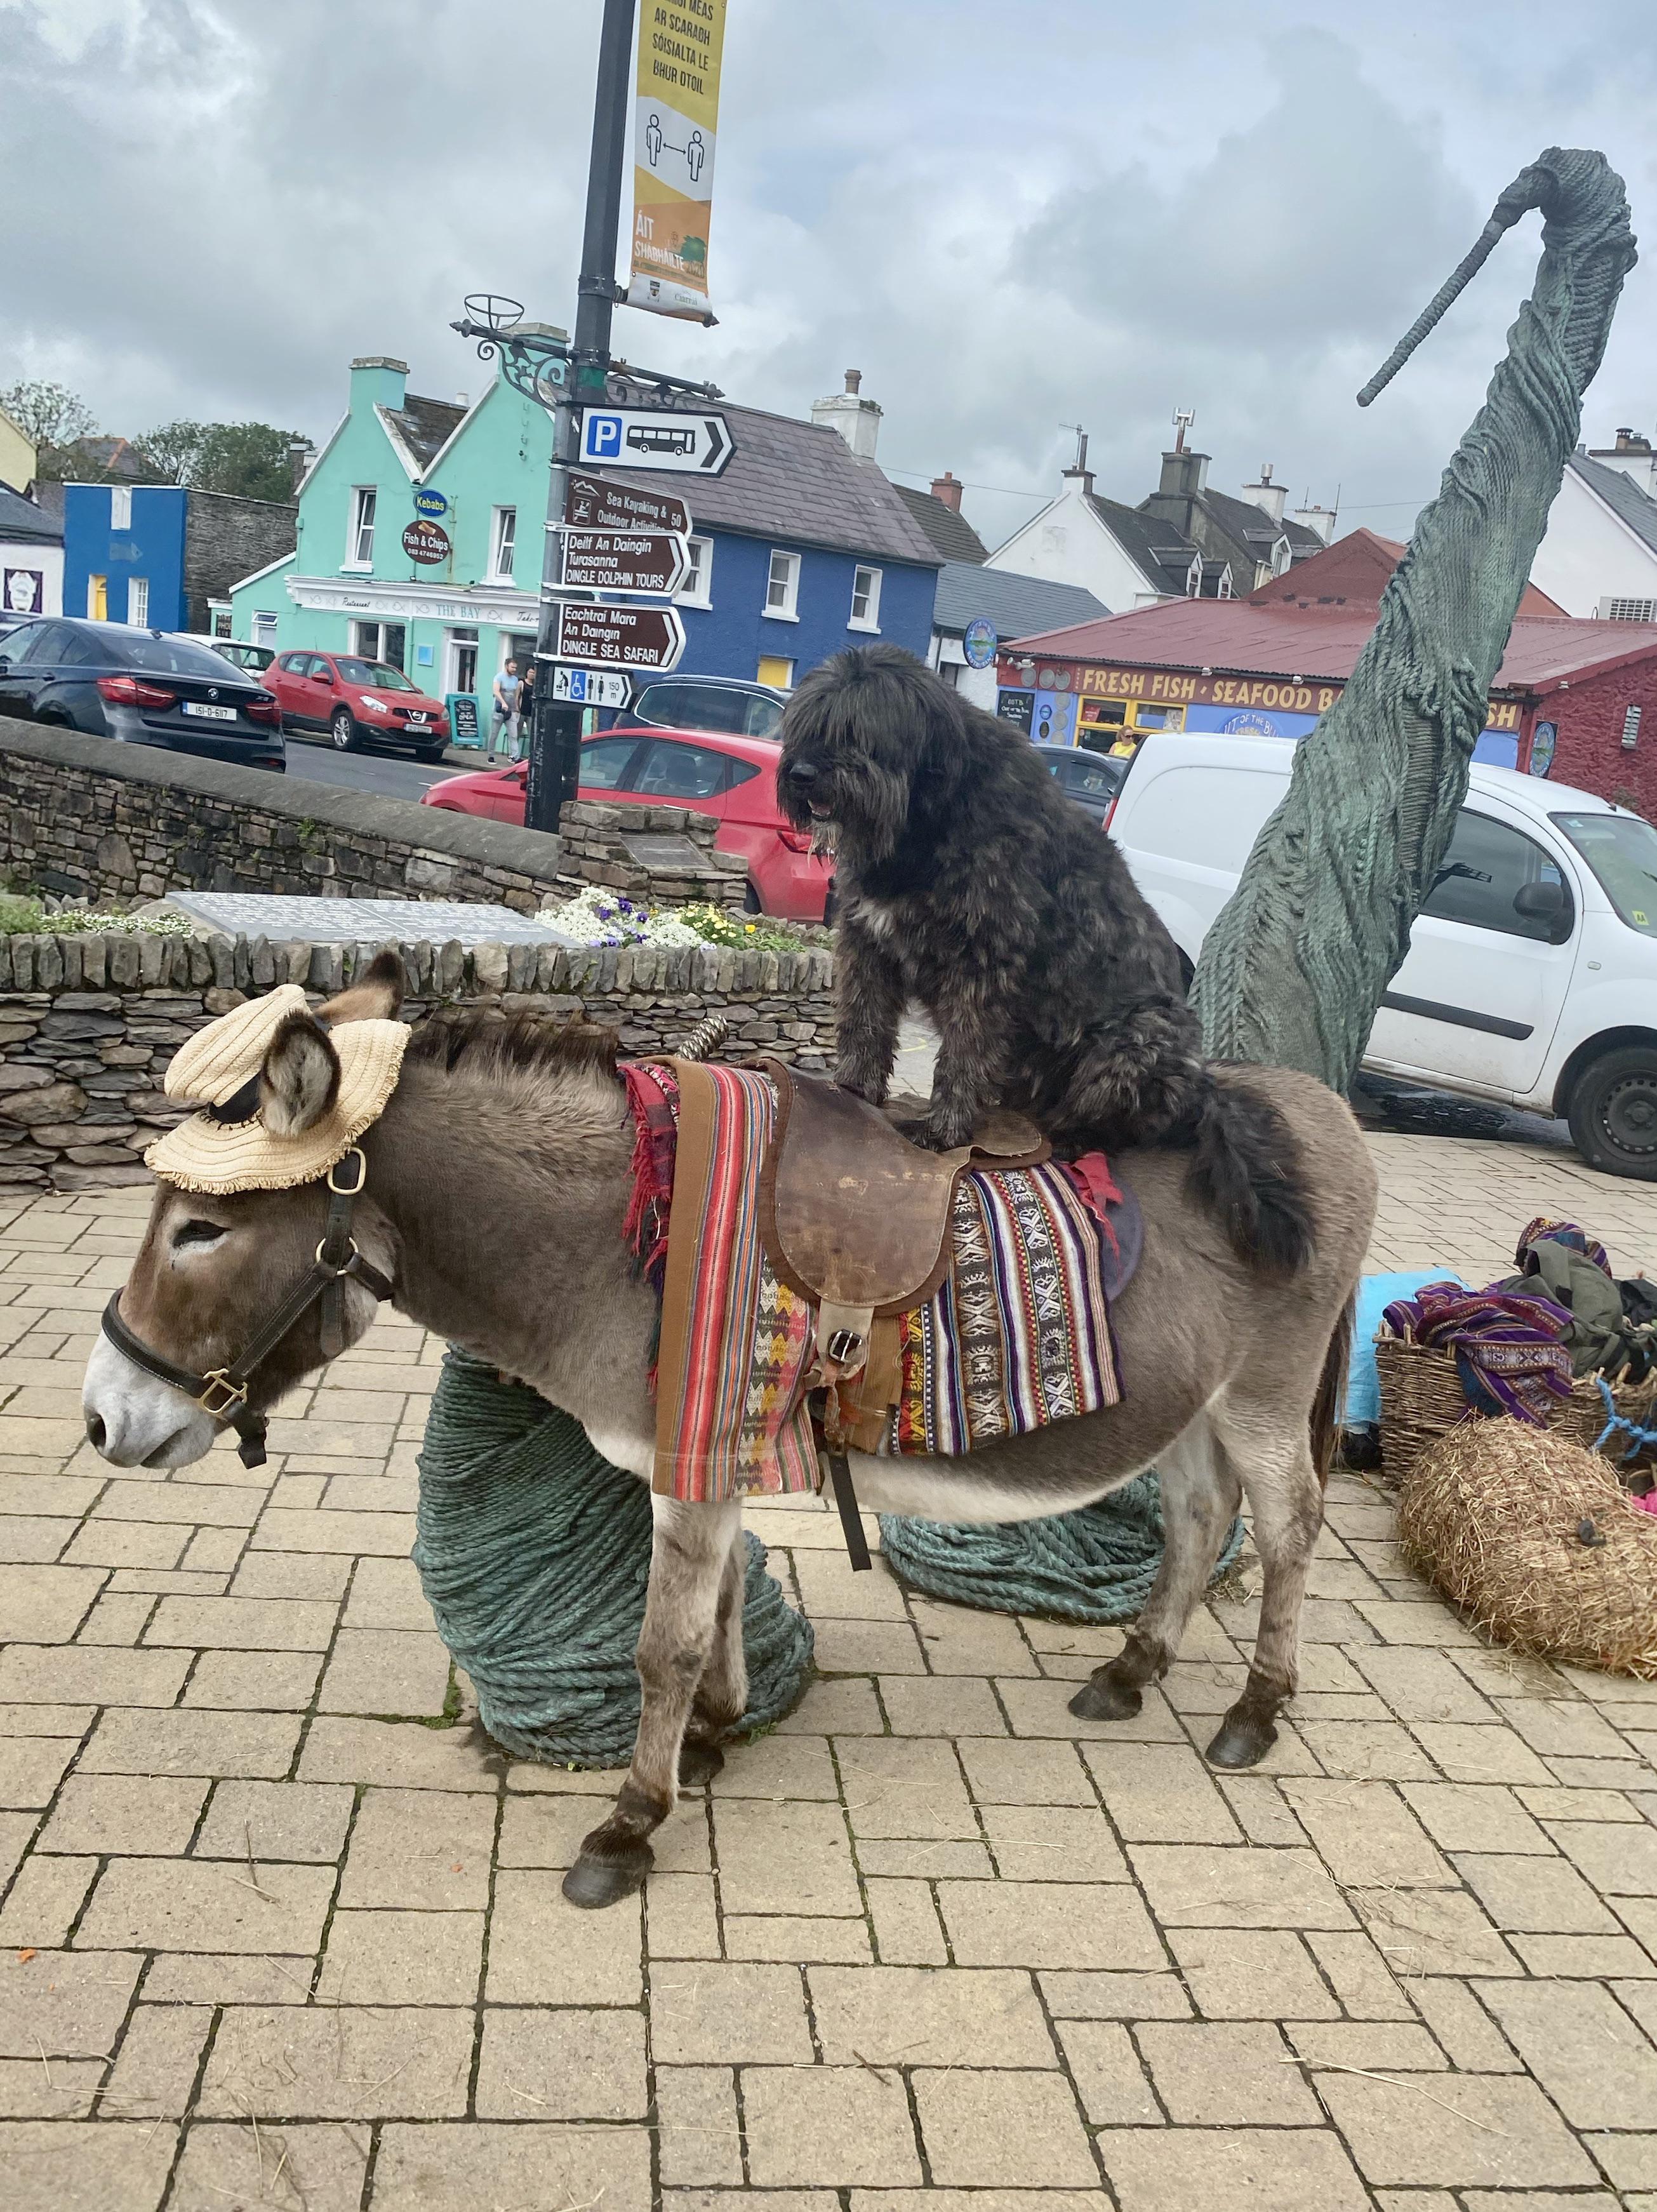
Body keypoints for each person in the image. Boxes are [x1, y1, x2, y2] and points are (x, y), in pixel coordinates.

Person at [491, 659, 521, 757]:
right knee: (494, 734)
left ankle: (515, 757)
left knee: (514, 735)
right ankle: (491, 756)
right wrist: (503, 703)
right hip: (499, 710)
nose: (514, 669)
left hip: (511, 711)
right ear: (506, 666)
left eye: (515, 668)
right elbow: (496, 692)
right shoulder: (499, 677)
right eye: (512, 667)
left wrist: (516, 708)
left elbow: (515, 695)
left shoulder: (515, 679)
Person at [513, 661, 536, 760]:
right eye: (530, 672)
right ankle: (514, 755)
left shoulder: (536, 686)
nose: (532, 674)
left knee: (532, 734)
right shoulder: (521, 683)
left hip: (531, 713)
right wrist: (517, 708)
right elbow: (517, 696)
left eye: (533, 673)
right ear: (527, 673)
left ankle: (532, 755)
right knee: (517, 733)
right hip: (521, 711)